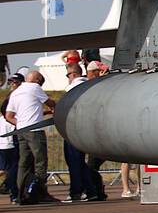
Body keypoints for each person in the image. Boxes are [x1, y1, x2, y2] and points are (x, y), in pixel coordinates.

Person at [3, 71, 57, 203]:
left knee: (24, 163)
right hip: (35, 130)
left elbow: (9, 116)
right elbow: (50, 103)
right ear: (38, 81)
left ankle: (21, 194)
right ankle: (40, 192)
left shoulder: (16, 92)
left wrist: (21, 123)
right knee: (40, 161)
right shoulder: (35, 87)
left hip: (21, 131)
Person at [80, 62, 109, 201]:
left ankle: (97, 191)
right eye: (98, 71)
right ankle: (97, 190)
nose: (100, 73)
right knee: (91, 165)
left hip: (98, 134)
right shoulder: (89, 86)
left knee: (92, 164)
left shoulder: (95, 85)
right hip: (94, 133)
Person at [61, 63, 90, 201]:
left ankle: (76, 191)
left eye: (68, 75)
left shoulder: (72, 88)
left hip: (72, 129)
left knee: (74, 161)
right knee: (81, 161)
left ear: (73, 74)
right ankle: (91, 188)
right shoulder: (90, 85)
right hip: (86, 130)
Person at [0, 73, 22, 204]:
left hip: (5, 139)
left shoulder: (14, 97)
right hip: (9, 140)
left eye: (14, 82)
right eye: (11, 82)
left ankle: (12, 190)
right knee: (12, 168)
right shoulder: (13, 98)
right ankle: (13, 193)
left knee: (6, 169)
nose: (12, 84)